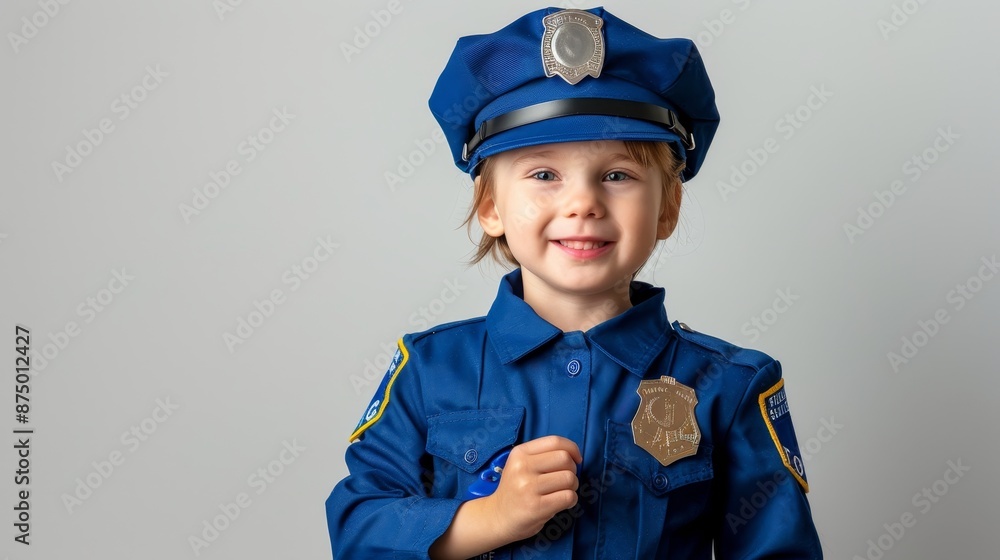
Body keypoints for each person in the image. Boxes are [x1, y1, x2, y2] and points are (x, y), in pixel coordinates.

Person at [326, 6, 823, 559]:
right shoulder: (428, 370)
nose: (583, 203)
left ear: (667, 208)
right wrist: (489, 517)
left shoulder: (729, 386)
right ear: (491, 206)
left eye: (618, 175)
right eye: (544, 175)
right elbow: (358, 529)